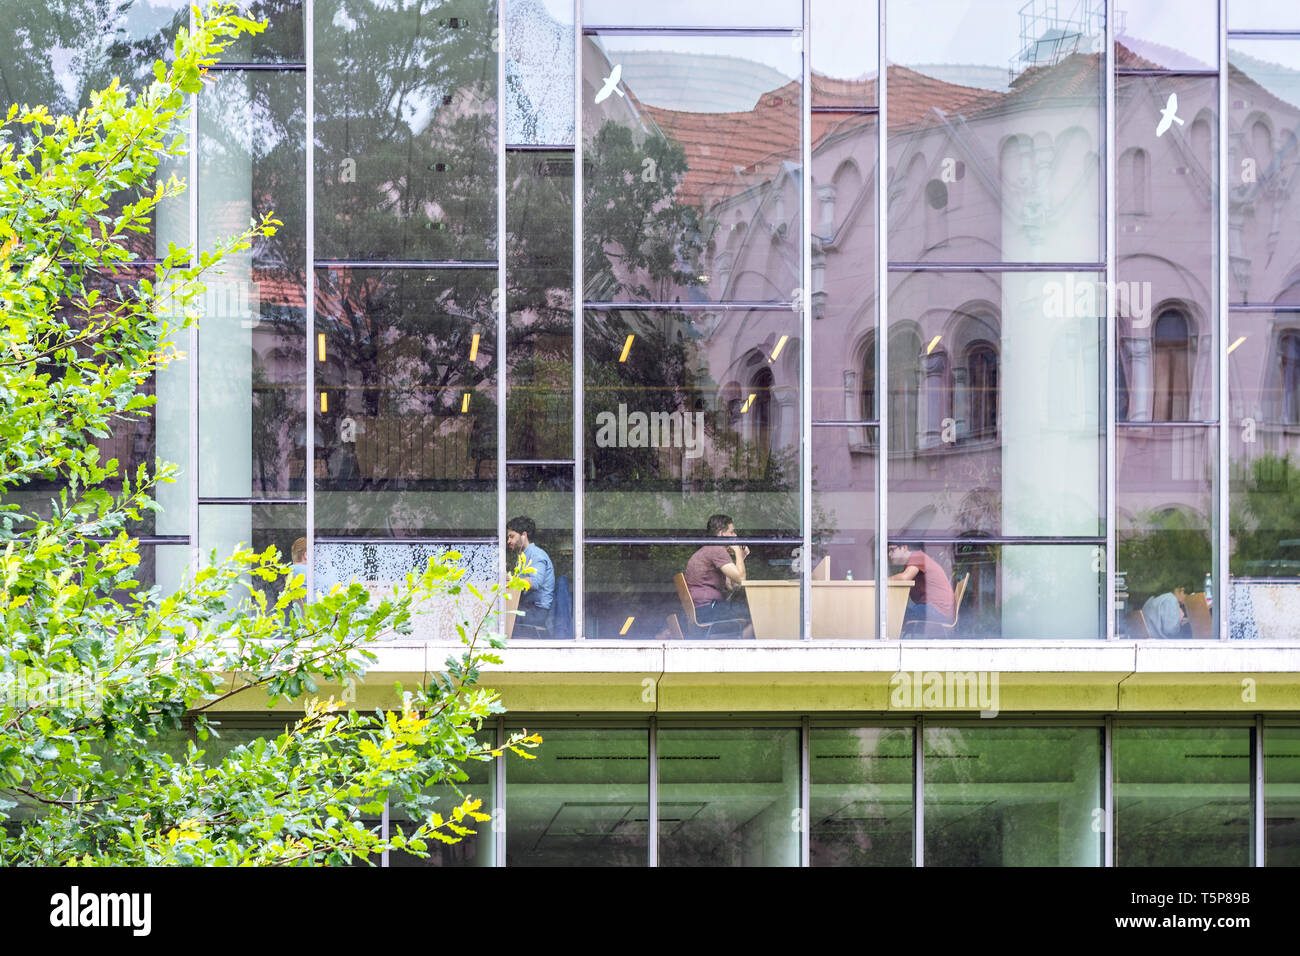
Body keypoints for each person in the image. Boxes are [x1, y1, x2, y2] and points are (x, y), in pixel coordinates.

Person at [684, 514, 755, 639]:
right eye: (732, 532)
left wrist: (741, 557)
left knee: (752, 612)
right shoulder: (716, 549)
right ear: (722, 534)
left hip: (702, 609)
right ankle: (741, 645)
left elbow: (730, 585)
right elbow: (742, 579)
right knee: (756, 613)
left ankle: (738, 642)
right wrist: (738, 550)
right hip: (708, 610)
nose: (735, 536)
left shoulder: (709, 549)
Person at [888, 543, 955, 634]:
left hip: (937, 610)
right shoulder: (911, 564)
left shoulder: (917, 557)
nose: (889, 554)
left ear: (904, 547)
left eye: (892, 550)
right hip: (936, 609)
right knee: (894, 611)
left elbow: (904, 577)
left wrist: (883, 581)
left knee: (892, 613)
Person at [507, 515, 555, 636]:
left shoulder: (537, 555)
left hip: (538, 612)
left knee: (501, 619)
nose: (508, 541)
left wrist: (511, 580)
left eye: (511, 536)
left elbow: (535, 582)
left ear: (524, 535)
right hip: (529, 608)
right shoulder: (522, 557)